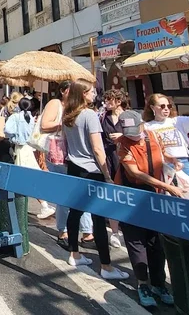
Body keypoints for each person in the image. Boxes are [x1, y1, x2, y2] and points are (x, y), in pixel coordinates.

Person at [61, 80, 128, 280]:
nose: (95, 95)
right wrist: (107, 174)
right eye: (91, 92)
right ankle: (106, 266)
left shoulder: (68, 116)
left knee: (75, 212)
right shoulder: (89, 115)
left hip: (73, 167)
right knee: (99, 216)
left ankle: (74, 253)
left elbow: (66, 144)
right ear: (83, 94)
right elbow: (98, 149)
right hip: (91, 169)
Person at [115, 109, 181, 307]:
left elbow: (162, 154)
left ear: (142, 125)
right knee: (136, 242)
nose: (133, 135)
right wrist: (167, 186)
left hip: (156, 196)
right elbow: (135, 173)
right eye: (128, 132)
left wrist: (172, 161)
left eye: (135, 130)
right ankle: (143, 284)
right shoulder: (123, 146)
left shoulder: (152, 136)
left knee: (156, 242)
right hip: (132, 196)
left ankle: (159, 284)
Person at [39, 81, 93, 242]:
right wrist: (65, 123)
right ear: (63, 91)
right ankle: (63, 229)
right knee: (65, 194)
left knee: (80, 192)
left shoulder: (77, 106)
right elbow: (44, 124)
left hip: (75, 152)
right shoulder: (55, 103)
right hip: (59, 153)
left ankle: (87, 231)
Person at [143, 78, 189, 184]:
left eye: (168, 106)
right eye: (162, 106)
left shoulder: (178, 121)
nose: (166, 109)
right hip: (163, 164)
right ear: (152, 108)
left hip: (184, 161)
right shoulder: (147, 126)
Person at [5, 96, 56, 218]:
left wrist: (12, 137)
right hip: (30, 148)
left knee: (25, 180)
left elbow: (7, 130)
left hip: (20, 148)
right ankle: (40, 205)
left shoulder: (15, 117)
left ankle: (40, 206)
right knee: (29, 178)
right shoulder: (31, 119)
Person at [101, 88, 128, 248]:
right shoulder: (103, 117)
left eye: (109, 100)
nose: (106, 103)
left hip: (127, 159)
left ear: (118, 101)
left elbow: (140, 136)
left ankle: (129, 226)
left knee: (128, 194)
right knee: (112, 195)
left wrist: (122, 137)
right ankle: (115, 231)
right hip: (110, 158)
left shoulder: (130, 116)